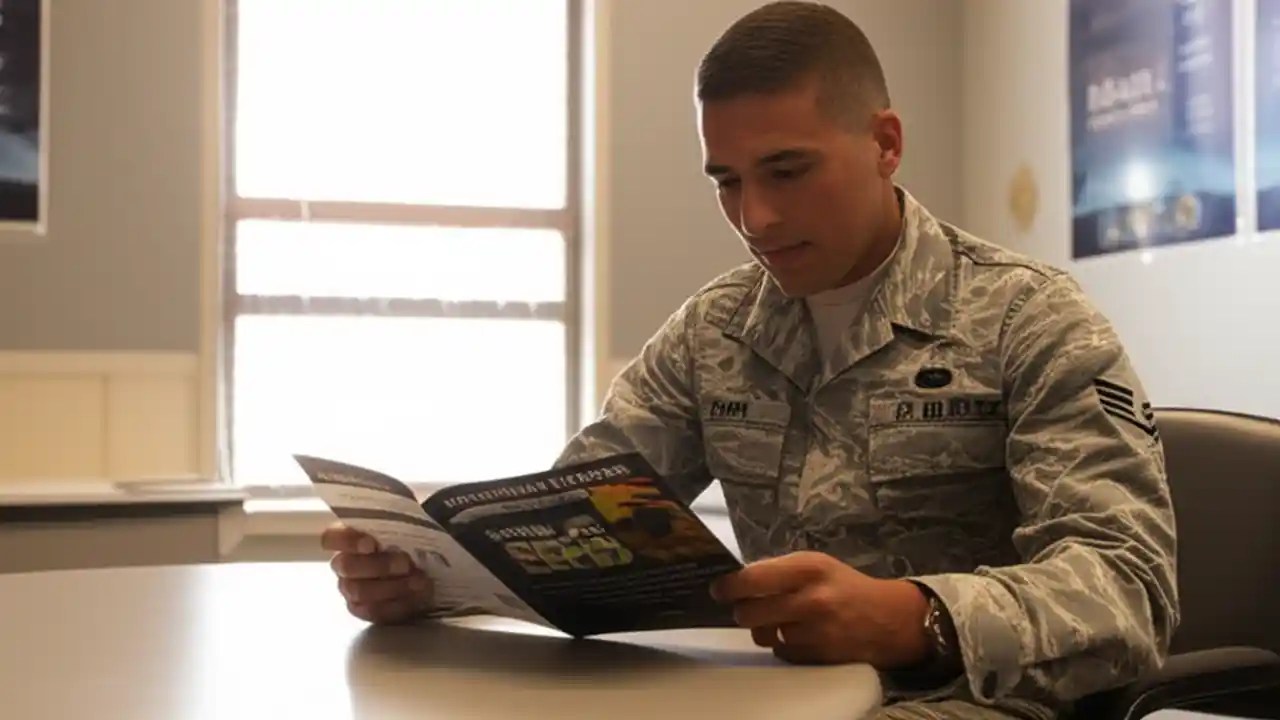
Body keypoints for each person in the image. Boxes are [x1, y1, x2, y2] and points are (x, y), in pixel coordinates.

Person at [322, 2, 1178, 718]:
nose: (756, 217)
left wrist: (912, 616)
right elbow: (579, 521)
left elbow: (1129, 591)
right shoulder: (715, 332)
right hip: (780, 700)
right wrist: (429, 581)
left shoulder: (1027, 318)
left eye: (787, 170)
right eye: (727, 180)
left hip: (979, 701)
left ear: (885, 143)